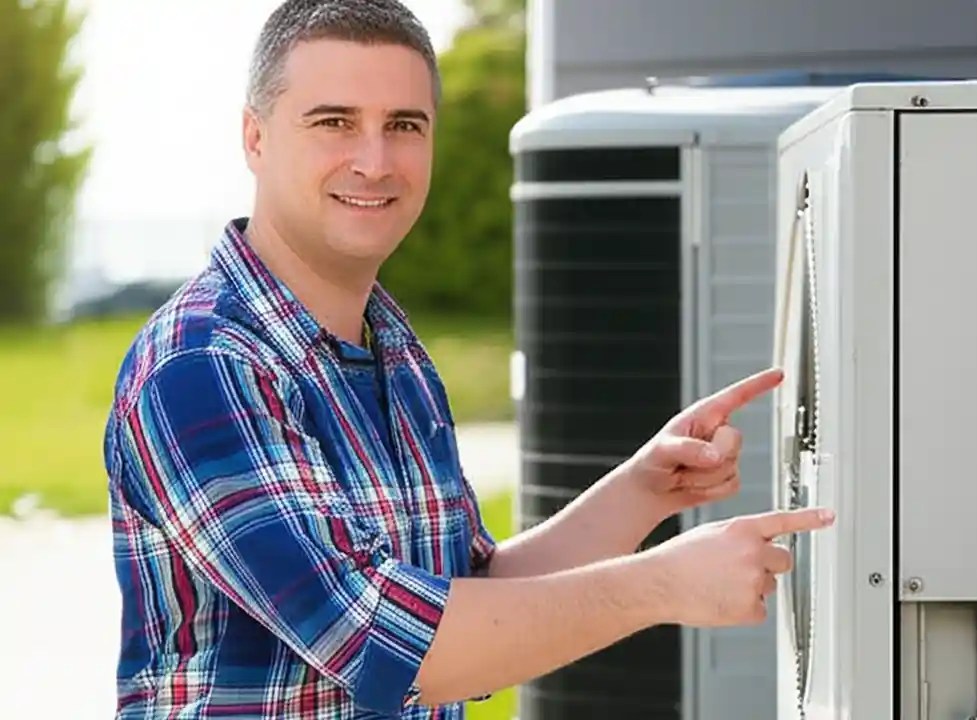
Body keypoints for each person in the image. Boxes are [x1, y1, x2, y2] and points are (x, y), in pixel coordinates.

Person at [102, 0, 834, 717]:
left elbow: (470, 593)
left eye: (404, 126)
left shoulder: (393, 352)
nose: (374, 160)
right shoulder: (204, 367)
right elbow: (395, 648)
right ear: (255, 138)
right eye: (334, 123)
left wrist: (644, 489)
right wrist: (663, 586)